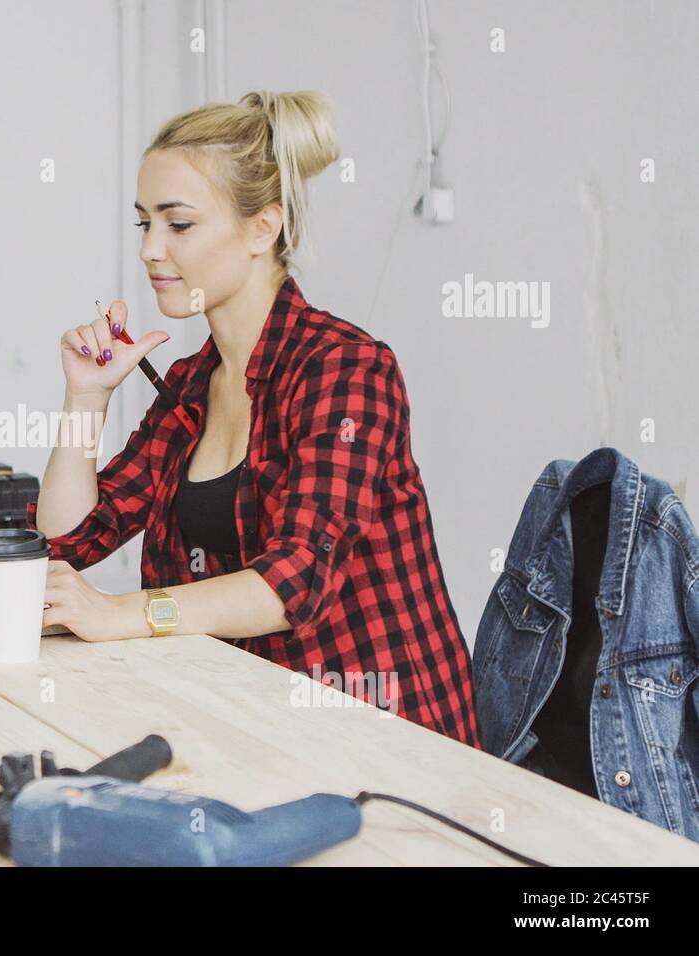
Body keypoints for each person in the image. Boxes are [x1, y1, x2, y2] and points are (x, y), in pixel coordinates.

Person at [29, 90, 480, 746]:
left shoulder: (348, 371)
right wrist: (85, 400)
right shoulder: (190, 384)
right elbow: (69, 539)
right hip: (247, 721)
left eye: (178, 224)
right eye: (143, 224)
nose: (151, 250)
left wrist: (119, 613)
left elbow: (290, 583)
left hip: (386, 742)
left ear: (262, 229)